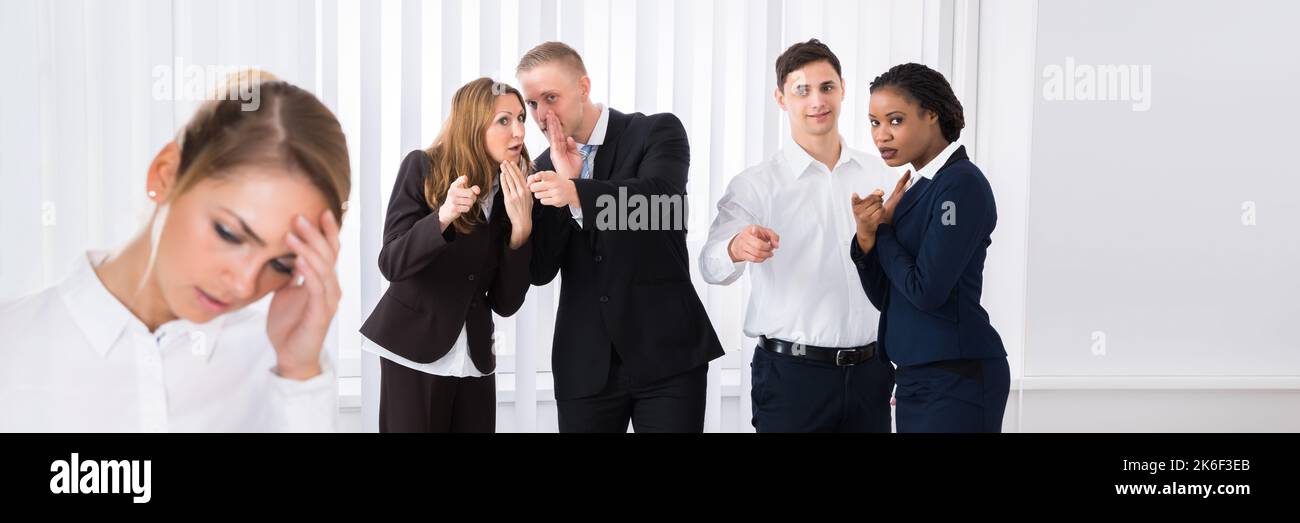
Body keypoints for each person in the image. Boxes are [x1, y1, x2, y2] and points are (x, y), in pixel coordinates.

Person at [0, 71, 349, 432]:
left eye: (280, 264)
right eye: (229, 233)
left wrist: (299, 375)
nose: (244, 285)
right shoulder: (11, 344)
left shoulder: (282, 364)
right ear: (165, 174)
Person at [516, 41, 724, 432]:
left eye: (551, 98)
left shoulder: (654, 130)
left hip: (668, 356)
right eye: (532, 104)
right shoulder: (541, 170)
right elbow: (541, 269)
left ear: (583, 86)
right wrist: (563, 184)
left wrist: (576, 192)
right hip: (585, 364)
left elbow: (660, 205)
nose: (542, 115)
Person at [700, 39, 896, 433]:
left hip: (871, 373)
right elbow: (710, 266)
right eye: (802, 90)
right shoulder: (756, 184)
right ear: (781, 98)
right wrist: (736, 247)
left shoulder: (882, 175)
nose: (817, 101)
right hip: (792, 377)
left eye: (826, 87)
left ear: (842, 88)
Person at [360, 78, 534, 433]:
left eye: (521, 118)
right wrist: (442, 217)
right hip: (413, 350)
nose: (518, 130)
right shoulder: (423, 167)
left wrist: (521, 232)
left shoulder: (516, 193)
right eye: (504, 120)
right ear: (473, 123)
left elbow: (505, 302)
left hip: (474, 358)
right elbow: (391, 262)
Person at [851, 62, 1009, 432]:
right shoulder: (917, 189)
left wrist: (886, 232)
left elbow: (926, 291)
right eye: (874, 123)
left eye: (895, 120)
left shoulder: (960, 185)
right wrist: (866, 236)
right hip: (916, 376)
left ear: (932, 115)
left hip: (957, 377)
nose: (881, 136)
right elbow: (889, 297)